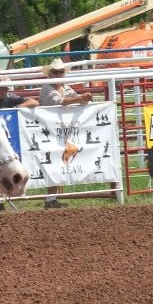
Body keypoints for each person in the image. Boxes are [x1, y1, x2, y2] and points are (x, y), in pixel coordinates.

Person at [38, 58, 91, 209]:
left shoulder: (66, 88)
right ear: (50, 74)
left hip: (61, 131)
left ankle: (51, 199)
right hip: (48, 131)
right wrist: (80, 98)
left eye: (60, 72)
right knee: (54, 163)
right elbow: (59, 102)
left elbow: (74, 100)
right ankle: (50, 199)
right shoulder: (46, 89)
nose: (58, 74)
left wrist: (84, 99)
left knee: (57, 163)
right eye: (55, 72)